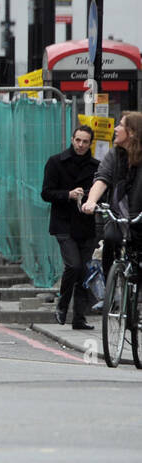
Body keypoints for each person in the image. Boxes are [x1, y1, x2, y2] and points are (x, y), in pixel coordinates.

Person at [41, 124, 100, 329]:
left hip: (85, 226)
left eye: (85, 141)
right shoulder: (56, 162)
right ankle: (62, 305)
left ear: (90, 143)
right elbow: (46, 193)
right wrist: (68, 194)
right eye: (78, 140)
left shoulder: (96, 166)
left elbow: (102, 193)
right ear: (72, 139)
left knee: (84, 271)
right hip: (63, 224)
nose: (81, 145)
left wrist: (90, 201)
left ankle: (79, 318)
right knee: (73, 265)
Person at [82, 112, 142, 270]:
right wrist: (91, 201)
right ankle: (110, 280)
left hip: (139, 217)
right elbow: (102, 179)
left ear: (132, 132)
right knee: (109, 238)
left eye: (121, 125)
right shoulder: (114, 154)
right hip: (118, 216)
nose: (116, 129)